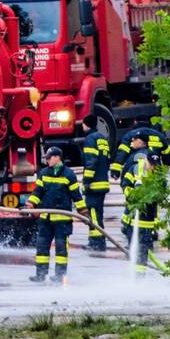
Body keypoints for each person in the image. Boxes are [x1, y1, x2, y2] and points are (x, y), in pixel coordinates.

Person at [25, 147, 87, 282]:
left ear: (58, 157)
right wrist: (31, 204)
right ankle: (40, 275)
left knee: (61, 249)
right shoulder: (44, 173)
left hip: (62, 220)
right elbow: (38, 192)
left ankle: (59, 275)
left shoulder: (69, 174)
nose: (47, 160)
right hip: (45, 218)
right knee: (41, 247)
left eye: (49, 157)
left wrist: (83, 213)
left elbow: (76, 196)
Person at [122, 148, 162, 271]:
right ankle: (133, 276)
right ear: (146, 160)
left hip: (147, 220)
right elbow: (125, 186)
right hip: (132, 219)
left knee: (143, 251)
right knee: (133, 250)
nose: (153, 168)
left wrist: (156, 225)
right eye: (151, 164)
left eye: (155, 165)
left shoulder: (159, 174)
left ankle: (139, 278)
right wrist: (134, 195)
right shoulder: (134, 169)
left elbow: (159, 199)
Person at [80, 116, 111, 252]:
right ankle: (98, 241)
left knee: (93, 214)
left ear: (86, 125)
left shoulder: (90, 139)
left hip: (94, 184)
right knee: (98, 213)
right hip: (103, 181)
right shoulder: (102, 138)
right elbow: (107, 160)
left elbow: (91, 162)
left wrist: (86, 182)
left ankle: (96, 243)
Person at [118, 133, 148, 241]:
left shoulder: (140, 156)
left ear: (140, 142)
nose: (132, 141)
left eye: (134, 140)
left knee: (132, 223)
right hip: (138, 195)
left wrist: (129, 191)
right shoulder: (143, 154)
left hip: (135, 196)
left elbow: (137, 175)